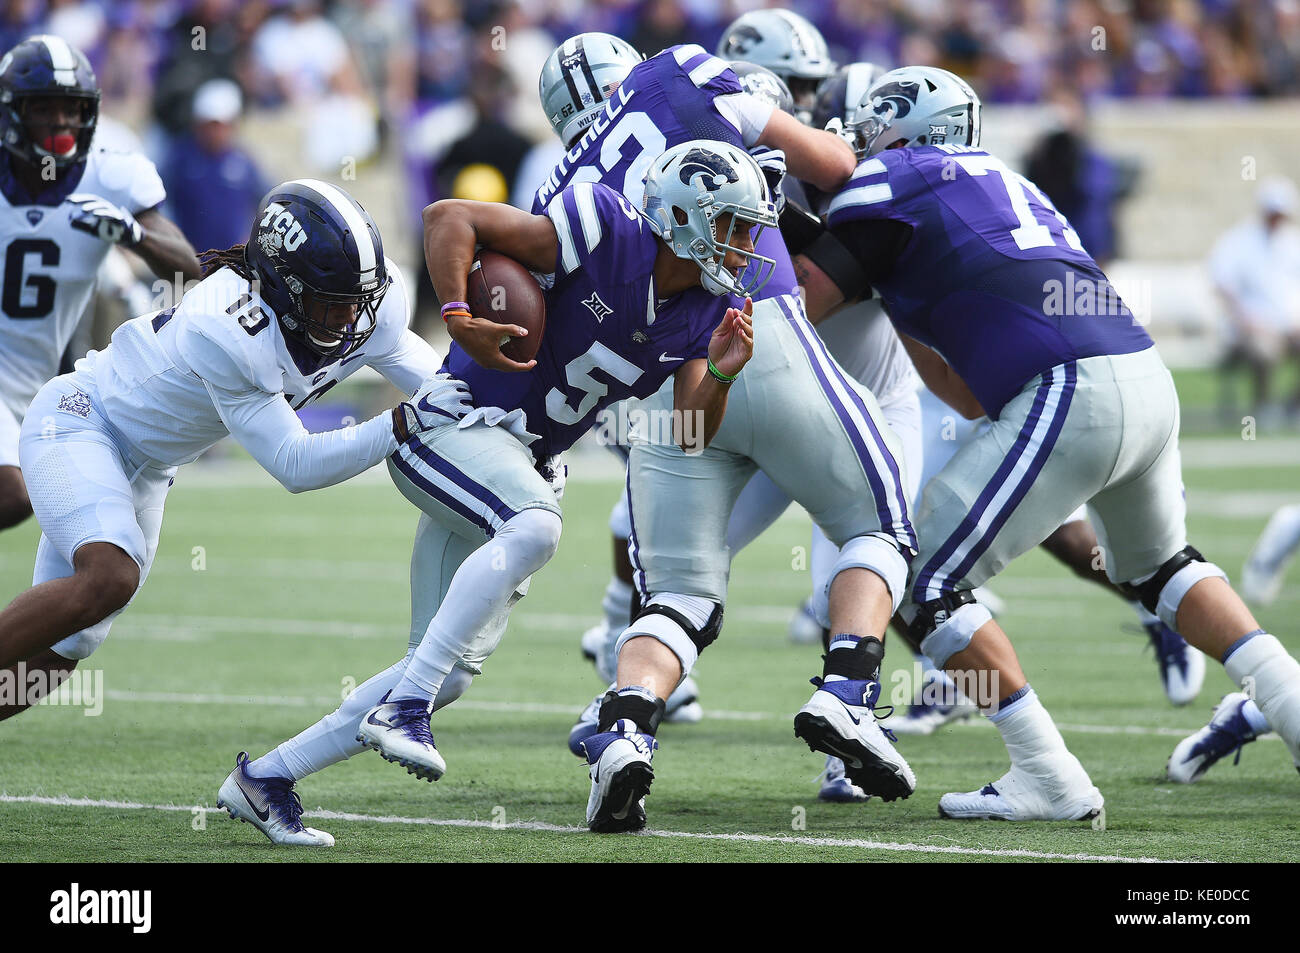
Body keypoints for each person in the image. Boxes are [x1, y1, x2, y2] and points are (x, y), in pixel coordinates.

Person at [218, 139, 767, 846]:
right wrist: (456, 313)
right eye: (734, 225)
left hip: (514, 458)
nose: (746, 245)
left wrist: (720, 373)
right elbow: (449, 216)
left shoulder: (706, 311)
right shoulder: (605, 228)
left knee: (447, 669)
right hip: (454, 423)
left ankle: (267, 777)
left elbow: (691, 431)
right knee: (536, 526)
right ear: (685, 216)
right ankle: (404, 707)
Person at [794, 65, 1300, 820]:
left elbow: (802, 299)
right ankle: (1292, 706)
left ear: (905, 127)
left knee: (920, 578)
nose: (860, 144)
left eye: (873, 128)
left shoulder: (896, 179)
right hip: (1142, 376)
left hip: (1071, 389)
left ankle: (1046, 772)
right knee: (1163, 567)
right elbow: (967, 394)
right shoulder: (1003, 184)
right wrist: (893, 296)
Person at [535, 39, 916, 834]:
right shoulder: (679, 75)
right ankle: (847, 692)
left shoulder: (556, 192)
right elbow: (835, 164)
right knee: (877, 527)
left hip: (660, 388)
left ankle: (627, 729)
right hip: (753, 326)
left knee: (676, 594)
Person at [0, 178, 442, 733]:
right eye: (334, 303)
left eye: (359, 300)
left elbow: (438, 382)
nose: (352, 318)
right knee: (109, 577)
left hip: (150, 466)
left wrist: (497, 412)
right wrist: (404, 422)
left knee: (69, 646)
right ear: (284, 288)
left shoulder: (372, 303)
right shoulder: (226, 325)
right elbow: (296, 463)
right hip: (83, 422)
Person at [0, 35, 201, 534]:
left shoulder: (110, 175)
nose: (61, 122)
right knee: (13, 493)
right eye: (44, 108)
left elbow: (187, 266)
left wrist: (134, 237)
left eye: (71, 109)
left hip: (34, 382)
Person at [1209, 176, 1300, 420]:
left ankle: (1293, 406)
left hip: (1290, 327)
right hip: (1253, 328)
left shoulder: (1293, 242)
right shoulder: (1239, 241)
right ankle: (1264, 406)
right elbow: (1222, 284)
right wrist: (1245, 320)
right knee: (1263, 350)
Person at [161, 78, 270, 254]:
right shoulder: (179, 159)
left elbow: (270, 200)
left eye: (220, 126)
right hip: (190, 258)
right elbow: (158, 200)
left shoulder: (244, 162)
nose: (214, 133)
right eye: (208, 125)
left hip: (233, 261)